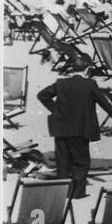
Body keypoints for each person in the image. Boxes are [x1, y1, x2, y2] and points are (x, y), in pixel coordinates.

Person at [36, 71, 105, 199]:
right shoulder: (90, 84)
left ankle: (62, 191)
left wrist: (57, 111)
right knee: (81, 162)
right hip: (80, 129)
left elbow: (42, 95)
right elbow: (104, 103)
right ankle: (77, 193)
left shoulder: (61, 83)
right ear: (87, 69)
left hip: (61, 128)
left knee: (62, 160)